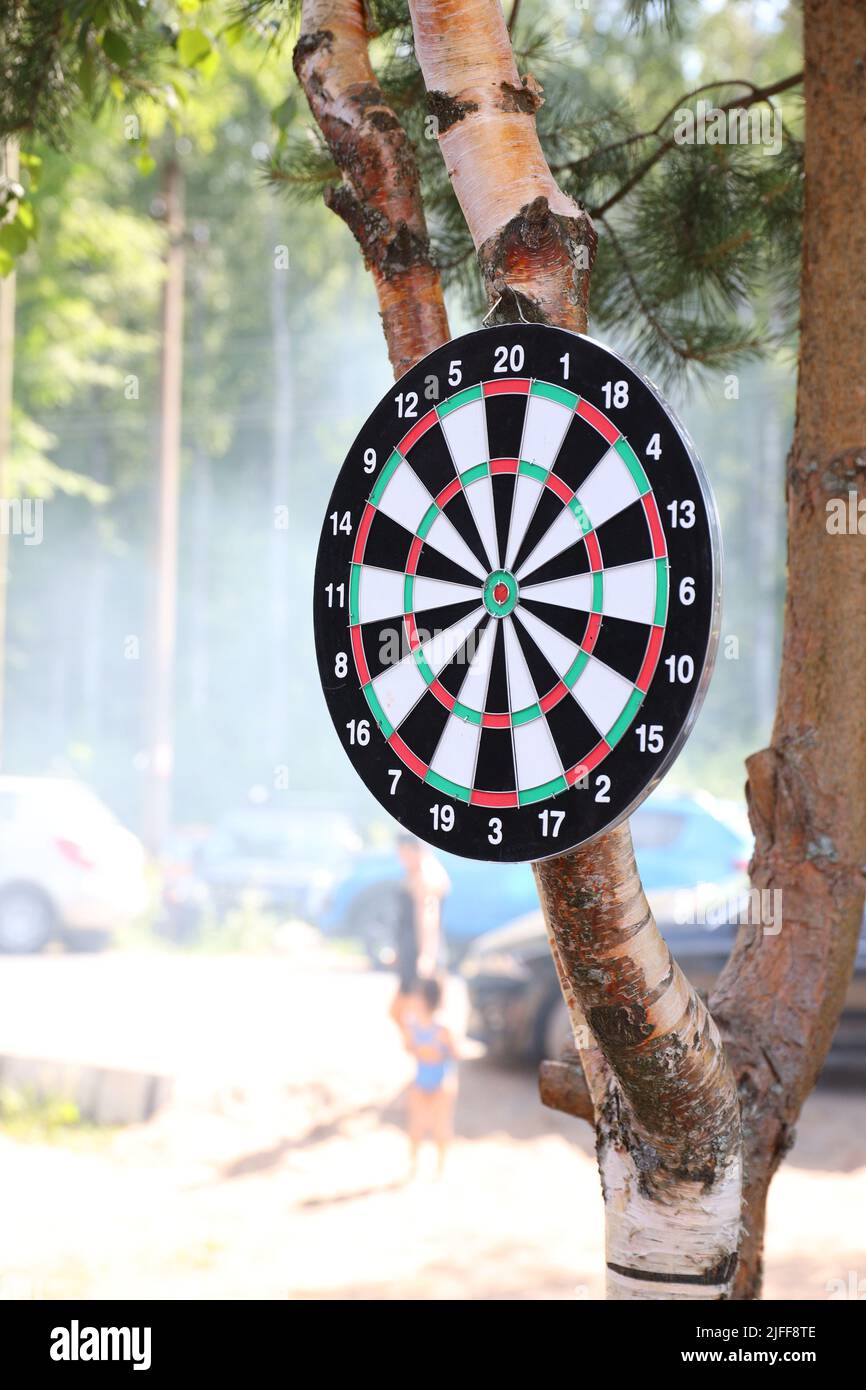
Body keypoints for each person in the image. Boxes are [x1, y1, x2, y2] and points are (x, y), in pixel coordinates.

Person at [392, 976, 457, 1178]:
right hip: (423, 1081)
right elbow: (408, 1047)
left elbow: (454, 1054)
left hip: (441, 1084)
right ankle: (415, 1164)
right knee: (416, 1125)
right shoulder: (416, 1026)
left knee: (440, 1126)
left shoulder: (441, 1029)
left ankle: (440, 1165)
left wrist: (433, 1053)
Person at [392, 834, 450, 1011]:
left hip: (419, 951)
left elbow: (428, 918)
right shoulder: (419, 873)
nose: (401, 859)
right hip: (414, 950)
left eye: (404, 854)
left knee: (417, 1015)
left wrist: (426, 957)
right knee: (404, 1013)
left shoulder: (425, 877)